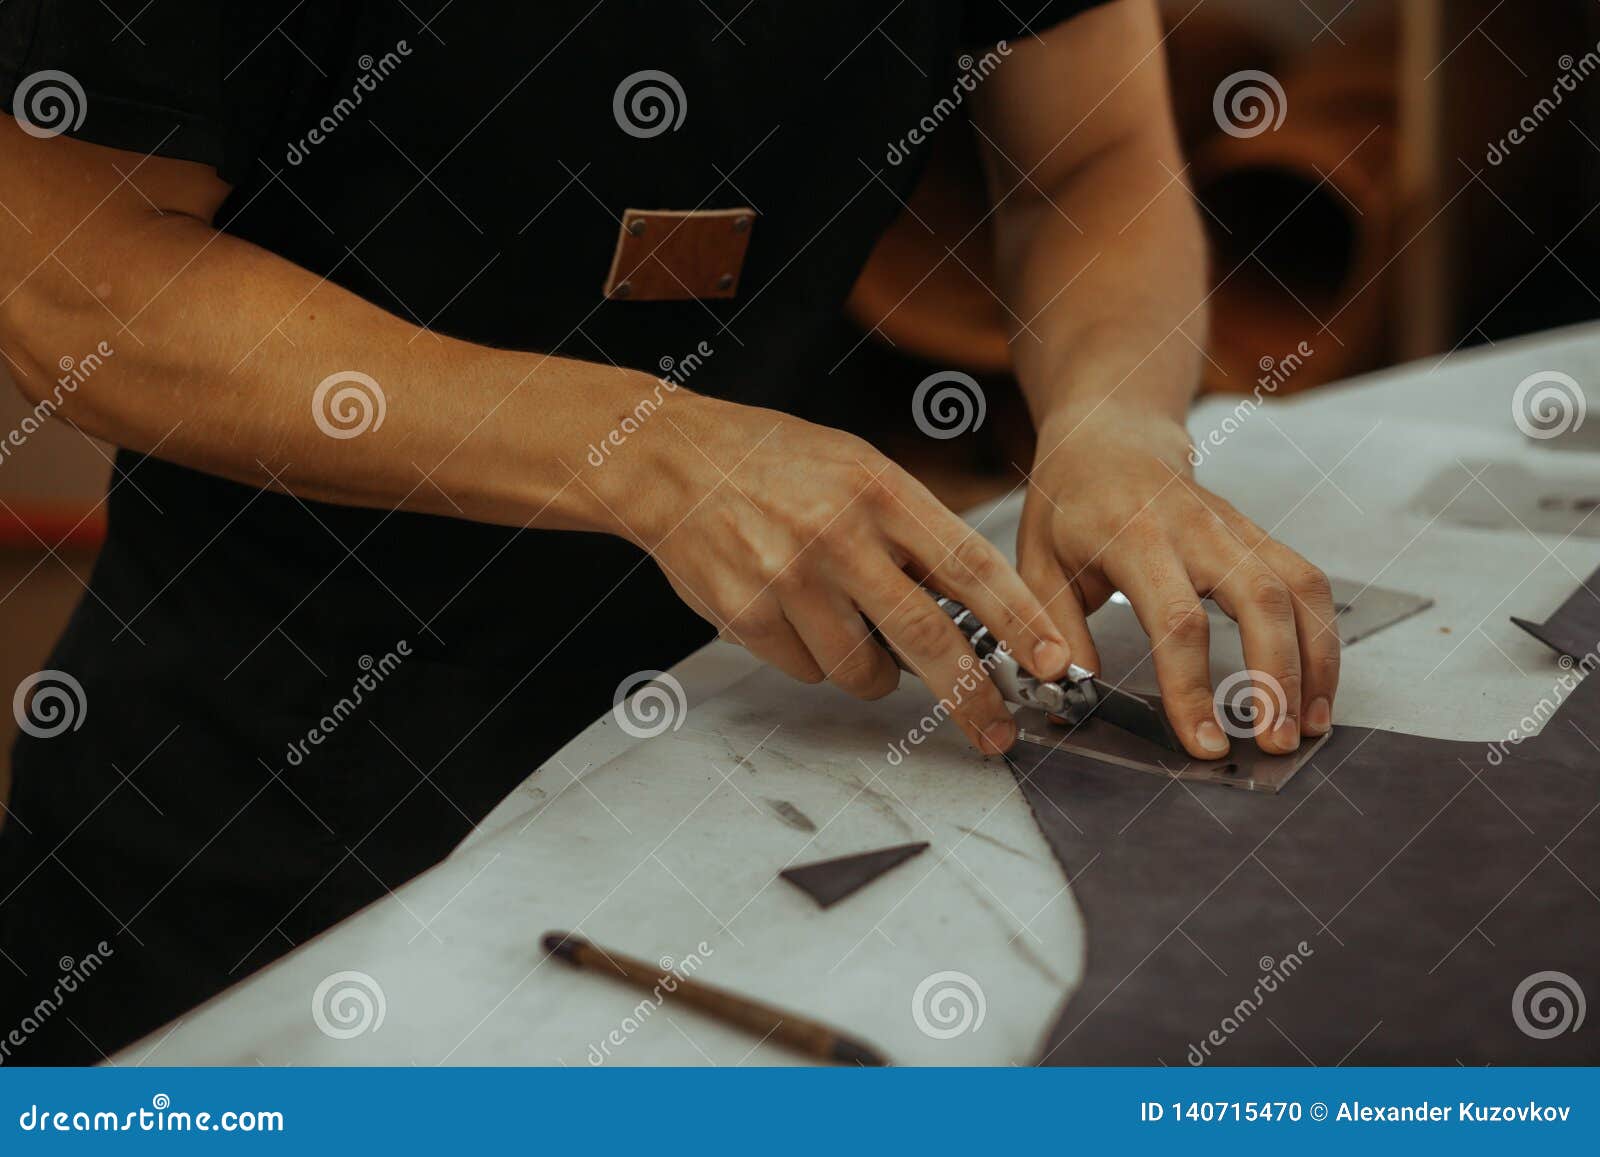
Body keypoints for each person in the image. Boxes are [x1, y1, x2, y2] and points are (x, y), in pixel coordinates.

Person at [0, 0, 1339, 1061]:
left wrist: (1115, 421)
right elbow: (76, 282)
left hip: (767, 751)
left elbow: (1085, 161)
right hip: (277, 793)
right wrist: (645, 453)